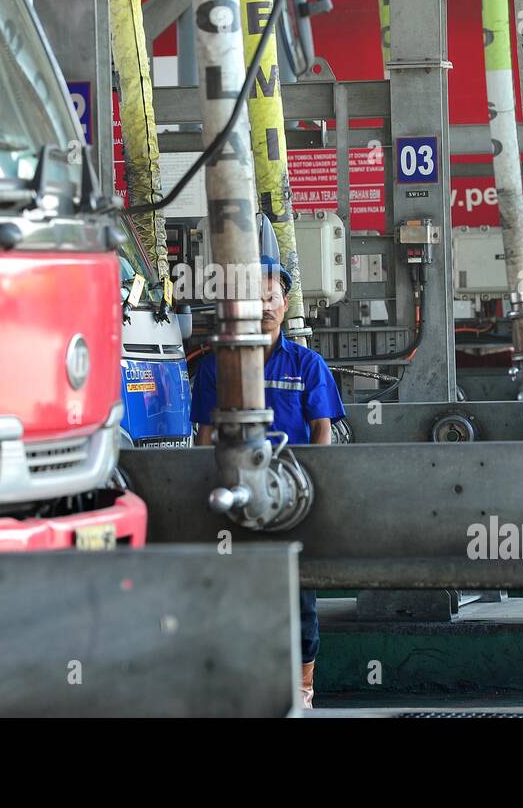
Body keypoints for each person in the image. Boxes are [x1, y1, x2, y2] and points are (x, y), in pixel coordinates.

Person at [190, 254, 345, 709]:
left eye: (270, 297)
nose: (263, 306)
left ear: (284, 302)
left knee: (301, 600)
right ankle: (237, 684)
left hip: (293, 498)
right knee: (235, 593)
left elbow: (322, 430)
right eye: (251, 297)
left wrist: (319, 486)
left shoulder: (308, 363)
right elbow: (204, 437)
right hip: (232, 497)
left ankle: (302, 688)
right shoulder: (217, 368)